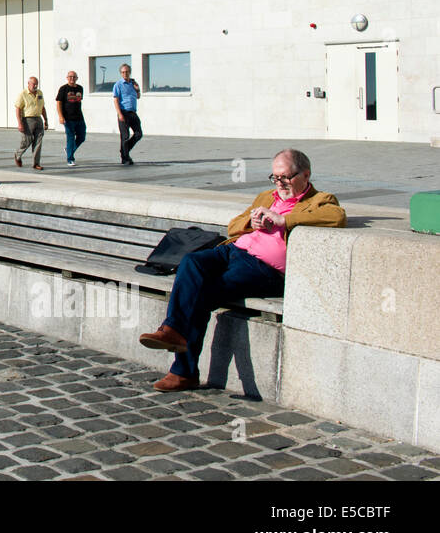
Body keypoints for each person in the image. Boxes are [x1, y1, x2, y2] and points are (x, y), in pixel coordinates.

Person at [138, 149, 345, 392]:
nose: (280, 184)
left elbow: (336, 216)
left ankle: (182, 370)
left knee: (202, 293)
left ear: (305, 174)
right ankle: (172, 330)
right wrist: (251, 222)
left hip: (264, 269)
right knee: (192, 261)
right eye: (275, 178)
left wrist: (283, 220)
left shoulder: (320, 200)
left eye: (286, 177)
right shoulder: (267, 197)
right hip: (234, 251)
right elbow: (234, 225)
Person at [13, 76, 48, 170]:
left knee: (38, 142)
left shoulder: (40, 93)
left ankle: (36, 163)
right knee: (26, 141)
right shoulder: (23, 94)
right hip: (27, 120)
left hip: (38, 119)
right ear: (28, 84)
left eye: (37, 84)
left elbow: (43, 107)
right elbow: (18, 108)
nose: (35, 85)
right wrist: (19, 123)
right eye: (33, 84)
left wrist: (46, 120)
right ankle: (18, 155)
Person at [113, 63, 142, 165]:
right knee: (125, 136)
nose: (125, 74)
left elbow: (138, 96)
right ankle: (125, 157)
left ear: (130, 72)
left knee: (138, 134)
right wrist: (119, 114)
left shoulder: (133, 84)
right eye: (123, 72)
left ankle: (124, 150)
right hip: (123, 112)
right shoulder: (118, 85)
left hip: (133, 112)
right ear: (121, 73)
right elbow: (115, 100)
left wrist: (137, 89)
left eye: (127, 72)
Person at [55, 71, 85, 167]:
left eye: (74, 77)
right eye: (70, 77)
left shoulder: (80, 88)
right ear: (67, 78)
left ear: (77, 78)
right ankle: (70, 159)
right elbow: (59, 103)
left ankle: (68, 150)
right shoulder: (63, 89)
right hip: (68, 118)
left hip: (79, 117)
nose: (72, 78)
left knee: (82, 137)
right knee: (70, 138)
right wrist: (60, 116)